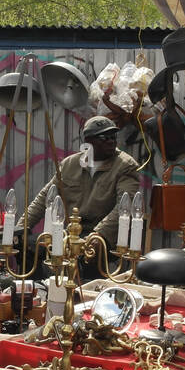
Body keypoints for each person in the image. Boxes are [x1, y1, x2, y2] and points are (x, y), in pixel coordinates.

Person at [16, 115, 141, 277]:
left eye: (113, 136)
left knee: (89, 256)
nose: (111, 141)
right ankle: (35, 291)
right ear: (88, 141)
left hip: (104, 236)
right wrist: (20, 228)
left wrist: (98, 234)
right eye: (104, 137)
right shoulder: (69, 165)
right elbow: (44, 198)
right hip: (70, 233)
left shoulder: (125, 166)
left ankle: (88, 295)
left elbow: (124, 207)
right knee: (27, 245)